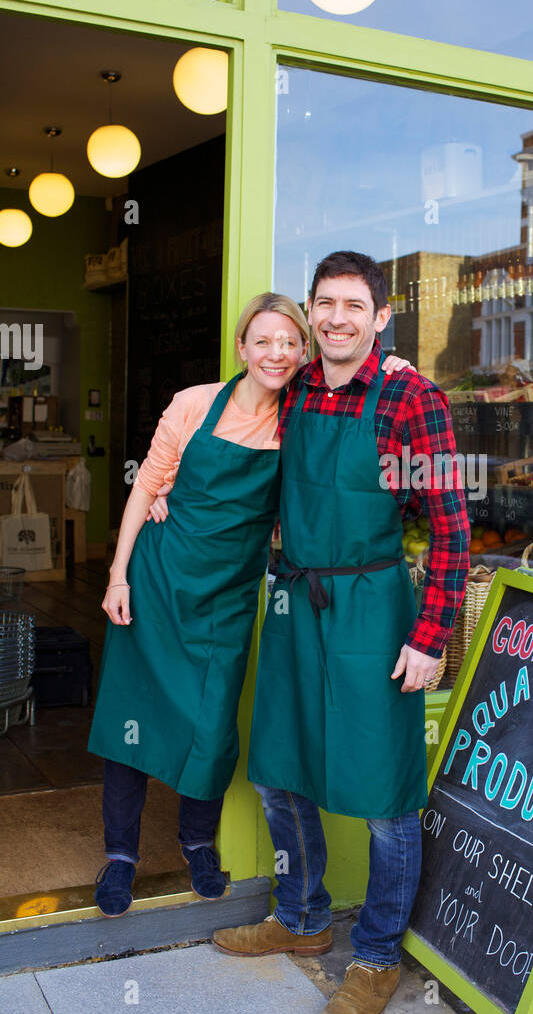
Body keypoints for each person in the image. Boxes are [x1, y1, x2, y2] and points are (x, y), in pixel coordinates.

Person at [87, 290, 412, 918]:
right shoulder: (193, 405)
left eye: (290, 342)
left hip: (228, 599)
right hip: (156, 583)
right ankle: (120, 857)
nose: (277, 353)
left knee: (211, 728)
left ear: (304, 351)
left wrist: (397, 365)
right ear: (241, 347)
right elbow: (148, 484)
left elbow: (364, 383)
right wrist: (118, 575)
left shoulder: (301, 413)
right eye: (262, 341)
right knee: (131, 724)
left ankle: (196, 843)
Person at [212, 251, 471, 1014]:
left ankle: (378, 955)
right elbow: (221, 440)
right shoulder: (293, 394)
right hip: (295, 598)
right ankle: (302, 916)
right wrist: (166, 505)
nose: (334, 319)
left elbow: (453, 530)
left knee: (385, 794)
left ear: (382, 317)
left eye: (353, 306)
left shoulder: (410, 399)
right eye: (323, 304)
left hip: (372, 608)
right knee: (278, 771)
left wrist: (430, 639)